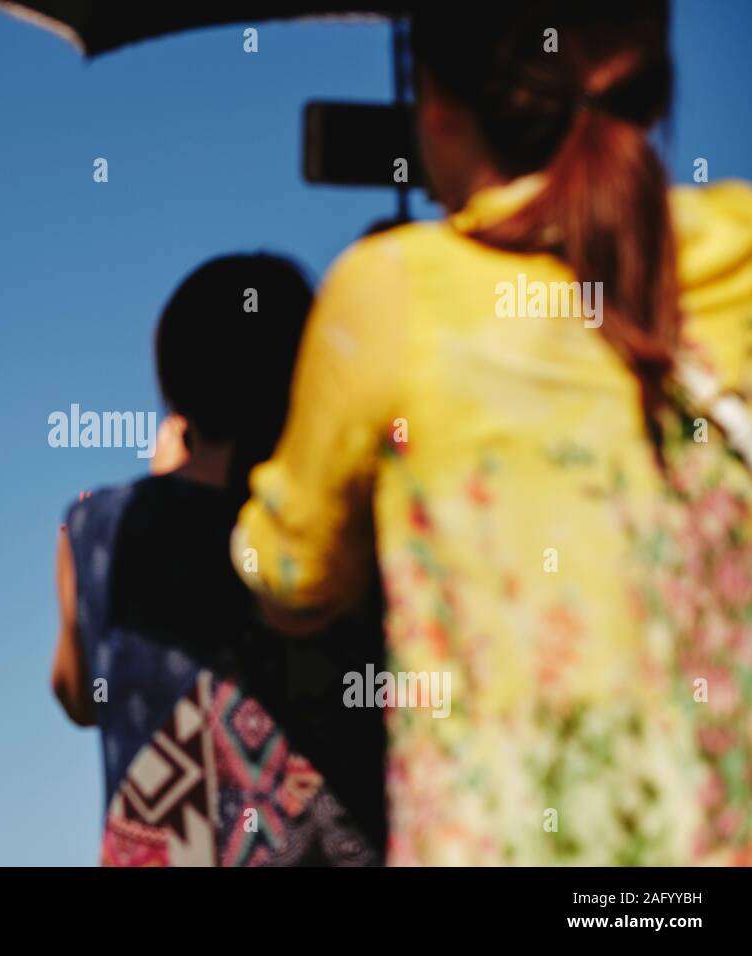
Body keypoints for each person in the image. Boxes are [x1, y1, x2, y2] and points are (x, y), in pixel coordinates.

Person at [233, 0, 752, 865]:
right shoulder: (738, 249)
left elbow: (288, 575)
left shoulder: (390, 289)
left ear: (435, 102)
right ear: (652, 80)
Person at [52, 254, 381, 866]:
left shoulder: (96, 528)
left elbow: (78, 696)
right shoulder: (351, 532)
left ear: (173, 385)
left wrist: (163, 490)